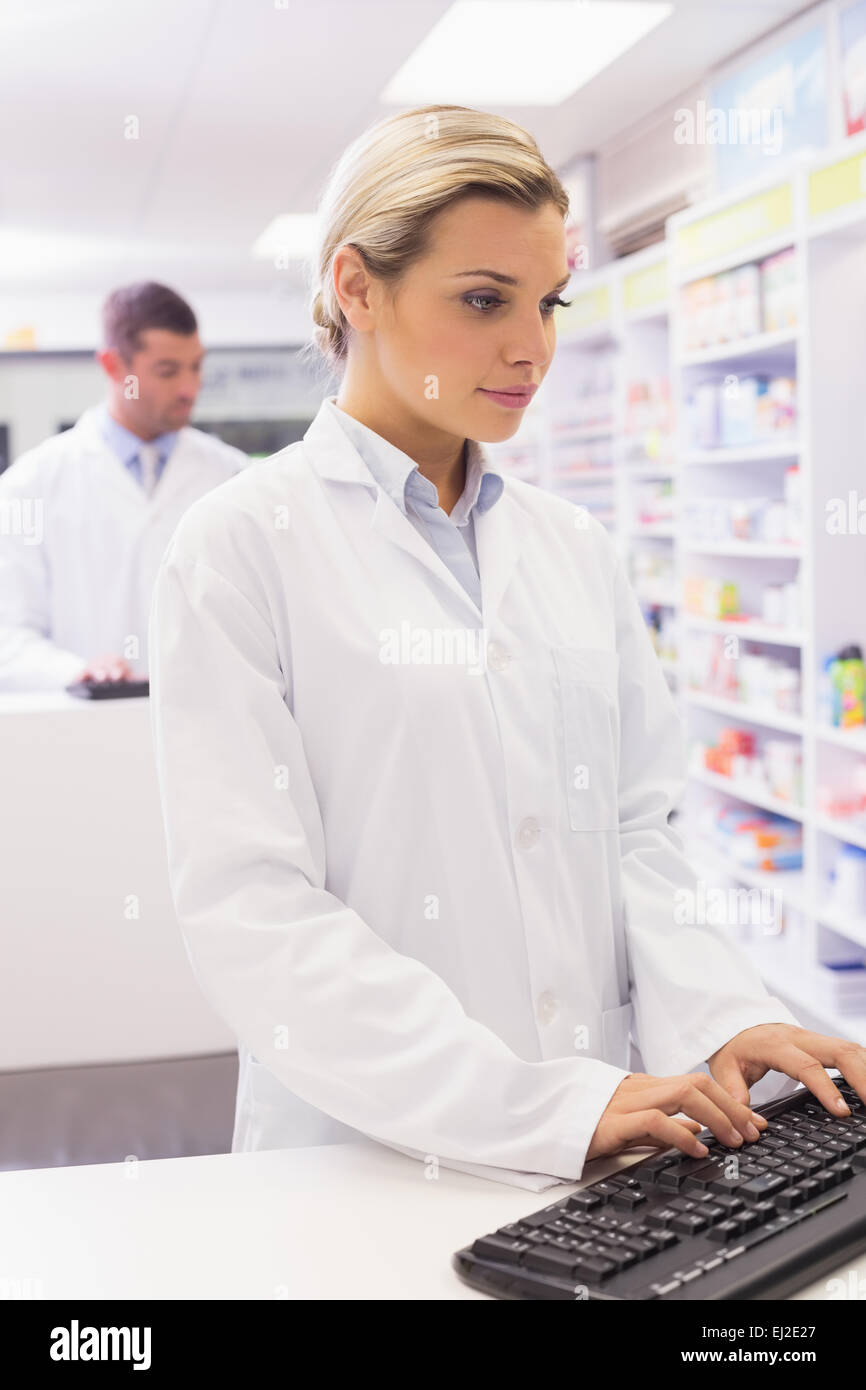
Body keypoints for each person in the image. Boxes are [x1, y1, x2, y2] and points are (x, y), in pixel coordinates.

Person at [148, 106, 865, 1191]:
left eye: (545, 301)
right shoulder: (238, 547)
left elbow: (634, 830)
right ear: (357, 287)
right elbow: (255, 910)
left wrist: (723, 1014)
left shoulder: (571, 548)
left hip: (609, 1139)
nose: (530, 345)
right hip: (362, 1156)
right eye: (483, 299)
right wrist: (528, 1102)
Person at [0, 282, 248, 692]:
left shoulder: (233, 477)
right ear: (113, 366)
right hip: (85, 732)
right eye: (167, 371)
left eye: (197, 367)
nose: (189, 388)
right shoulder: (30, 486)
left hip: (207, 726)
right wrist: (76, 672)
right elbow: (7, 635)